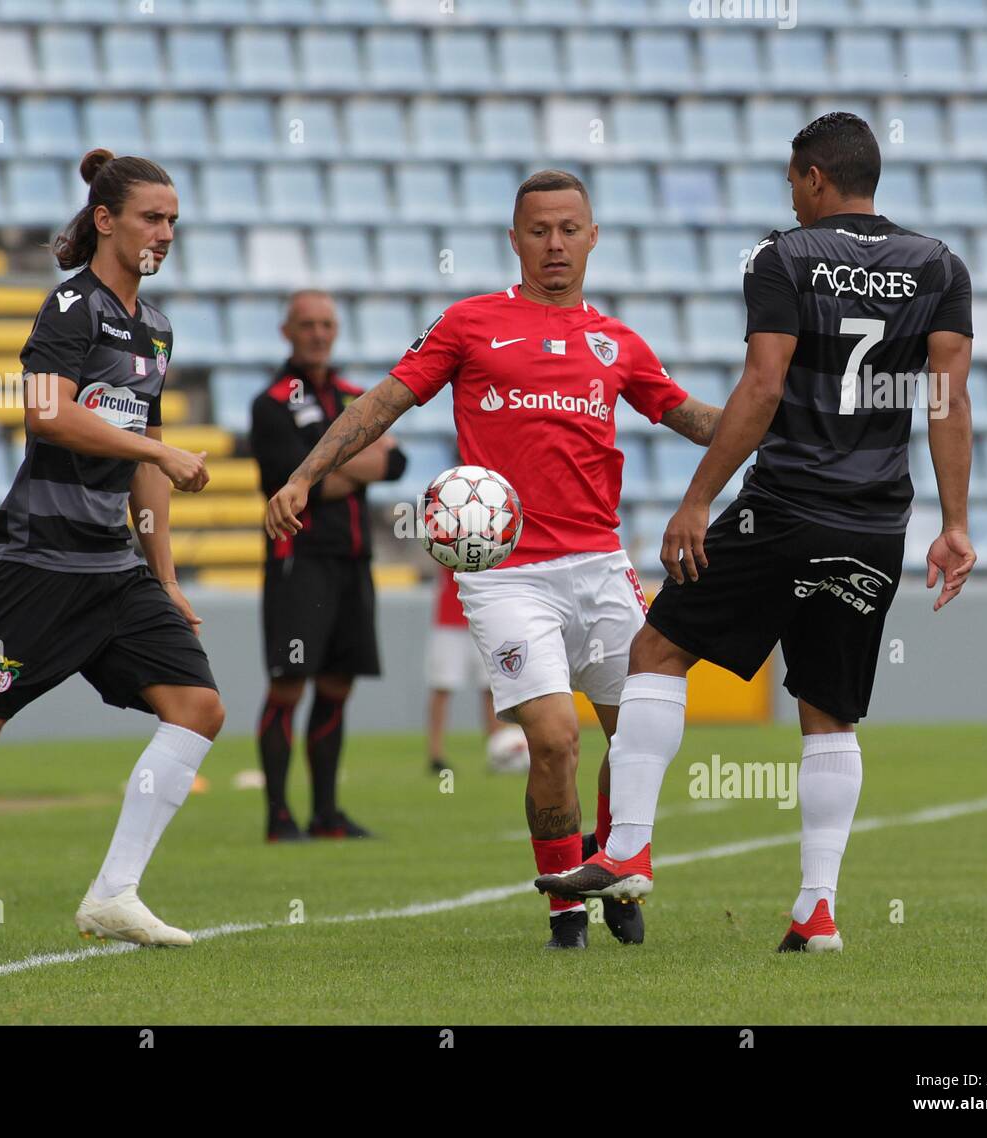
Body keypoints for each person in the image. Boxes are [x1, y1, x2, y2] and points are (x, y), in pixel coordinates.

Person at [537, 113, 976, 955]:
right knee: (829, 714)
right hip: (877, 519)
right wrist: (954, 525)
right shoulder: (939, 266)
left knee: (658, 652)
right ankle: (817, 911)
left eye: (791, 181)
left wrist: (700, 497)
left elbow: (765, 383)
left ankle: (626, 846)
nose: (791, 196)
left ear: (813, 178)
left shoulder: (786, 256)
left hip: (782, 506)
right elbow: (947, 400)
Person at [265, 170, 724, 949]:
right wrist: (306, 474)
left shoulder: (620, 342)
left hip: (602, 565)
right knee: (552, 738)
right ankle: (564, 912)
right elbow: (384, 401)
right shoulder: (470, 323)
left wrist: (777, 415)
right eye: (539, 230)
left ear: (593, 238)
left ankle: (612, 863)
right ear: (514, 240)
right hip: (506, 573)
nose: (554, 244)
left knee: (636, 735)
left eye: (569, 229)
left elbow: (694, 419)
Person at [0, 147, 224, 956]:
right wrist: (157, 455)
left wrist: (164, 576)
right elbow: (46, 416)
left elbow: (146, 460)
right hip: (39, 560)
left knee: (198, 709)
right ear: (106, 220)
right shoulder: (71, 306)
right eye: (149, 218)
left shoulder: (155, 330)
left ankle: (113, 895)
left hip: (113, 568)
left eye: (172, 219)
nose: (163, 232)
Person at [250, 289, 407, 842]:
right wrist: (338, 467)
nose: (318, 333)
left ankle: (325, 814)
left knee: (338, 686)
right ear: (286, 331)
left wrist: (322, 462)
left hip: (353, 563)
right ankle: (278, 816)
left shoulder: (352, 396)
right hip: (300, 563)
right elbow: (291, 483)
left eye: (327, 324)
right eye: (308, 324)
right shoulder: (270, 402)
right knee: (289, 686)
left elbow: (396, 460)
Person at [425, 565, 502, 775]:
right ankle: (436, 755)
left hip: (484, 613)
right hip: (450, 616)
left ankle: (498, 751)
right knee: (442, 685)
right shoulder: (447, 530)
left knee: (491, 687)